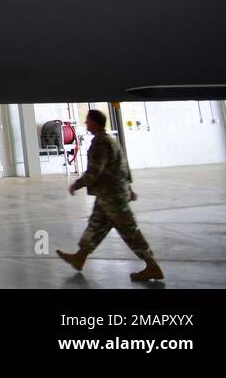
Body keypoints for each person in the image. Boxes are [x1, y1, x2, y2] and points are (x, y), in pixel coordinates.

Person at [56, 109, 164, 282]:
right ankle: (80, 256)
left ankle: (152, 265)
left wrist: (77, 184)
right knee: (96, 224)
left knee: (129, 229)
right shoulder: (110, 141)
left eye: (88, 121)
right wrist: (128, 188)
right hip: (108, 193)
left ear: (95, 123)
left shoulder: (101, 144)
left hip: (112, 196)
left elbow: (95, 171)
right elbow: (122, 166)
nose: (86, 123)